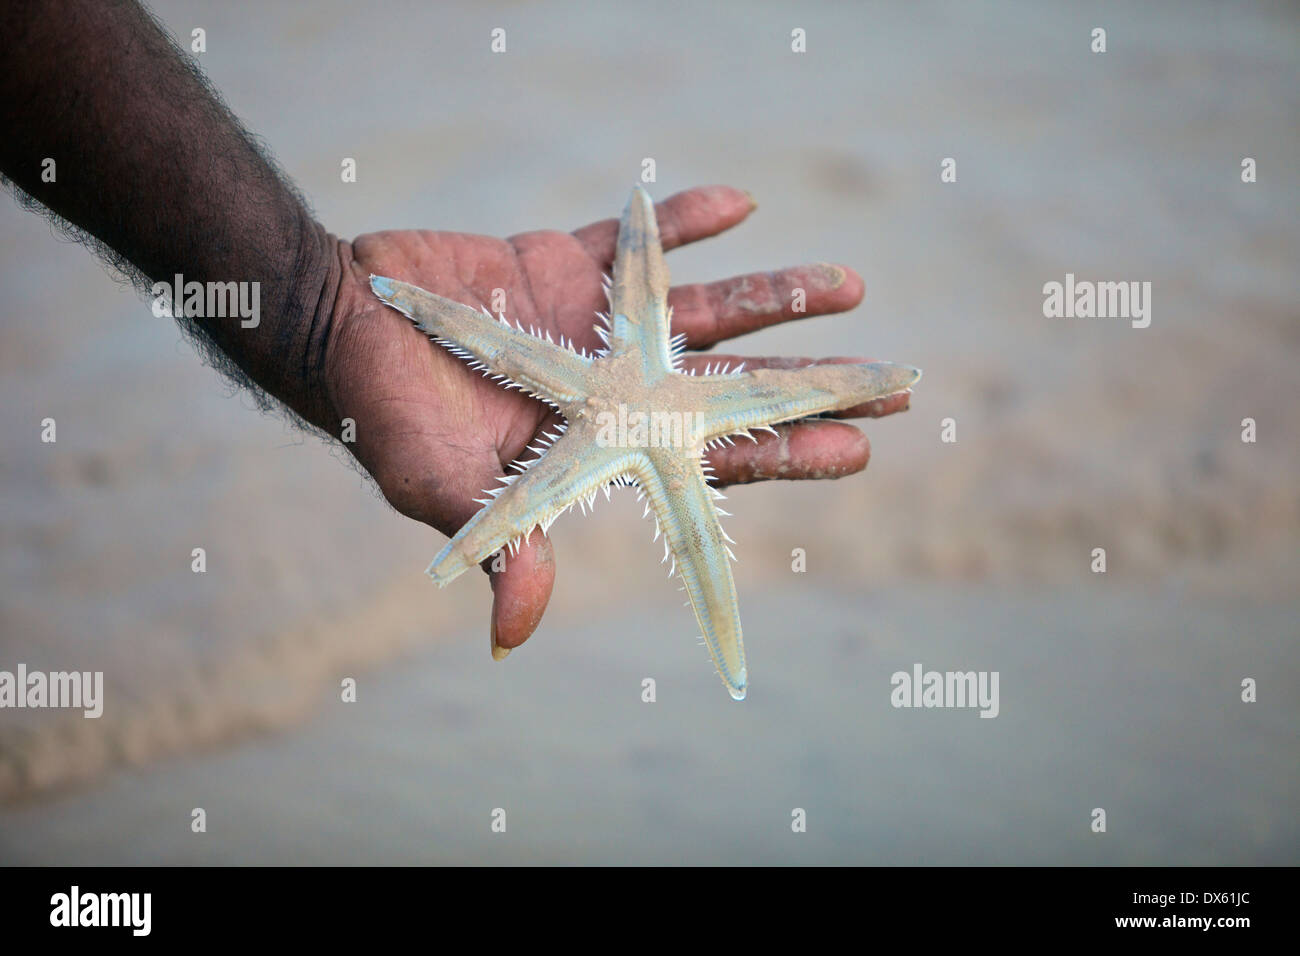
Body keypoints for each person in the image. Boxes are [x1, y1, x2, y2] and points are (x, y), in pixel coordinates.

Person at [0, 0, 910, 658]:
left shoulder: (623, 390)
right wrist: (331, 304)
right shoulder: (614, 386)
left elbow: (637, 314)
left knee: (714, 503)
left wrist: (327, 303)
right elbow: (512, 345)